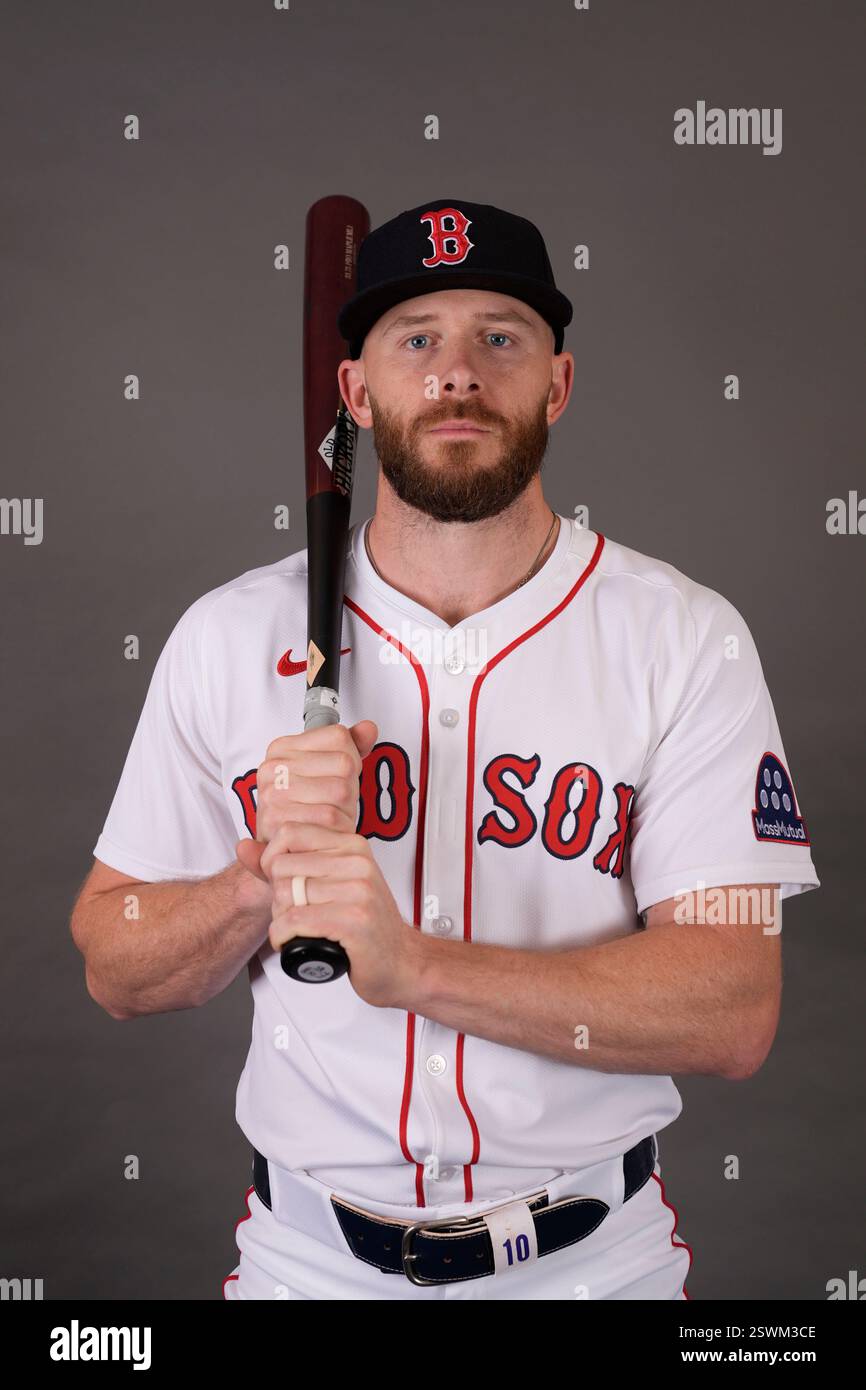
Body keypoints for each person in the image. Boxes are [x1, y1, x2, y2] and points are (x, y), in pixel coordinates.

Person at [71, 199, 819, 1300]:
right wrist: (251, 877)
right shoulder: (228, 635)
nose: (456, 372)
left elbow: (731, 1004)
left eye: (498, 337)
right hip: (306, 1265)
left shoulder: (682, 637)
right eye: (415, 337)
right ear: (355, 392)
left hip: (590, 1268)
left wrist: (417, 967)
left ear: (556, 384)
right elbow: (114, 960)